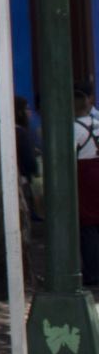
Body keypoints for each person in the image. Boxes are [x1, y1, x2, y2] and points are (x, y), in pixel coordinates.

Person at [75, 82, 99, 284]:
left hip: (84, 175)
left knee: (89, 226)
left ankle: (92, 272)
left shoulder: (74, 128)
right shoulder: (98, 123)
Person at [16, 95, 42, 223]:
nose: (29, 112)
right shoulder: (21, 133)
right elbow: (29, 160)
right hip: (23, 177)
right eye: (26, 109)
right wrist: (34, 170)